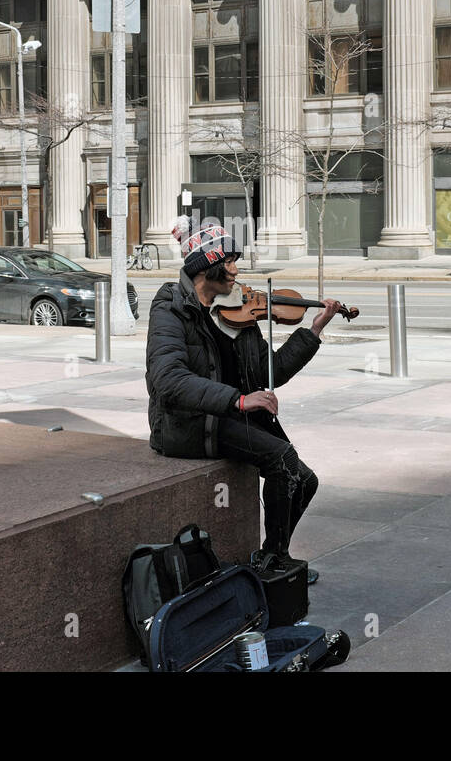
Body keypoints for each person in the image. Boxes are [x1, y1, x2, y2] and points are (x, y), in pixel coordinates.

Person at [146, 217, 344, 585]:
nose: (237, 270)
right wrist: (238, 401)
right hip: (189, 423)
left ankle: (272, 554)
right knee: (283, 460)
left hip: (226, 414)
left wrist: (313, 332)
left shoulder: (236, 315)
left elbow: (273, 373)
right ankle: (275, 561)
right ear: (207, 268)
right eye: (230, 262)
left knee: (306, 480)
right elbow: (168, 381)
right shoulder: (171, 308)